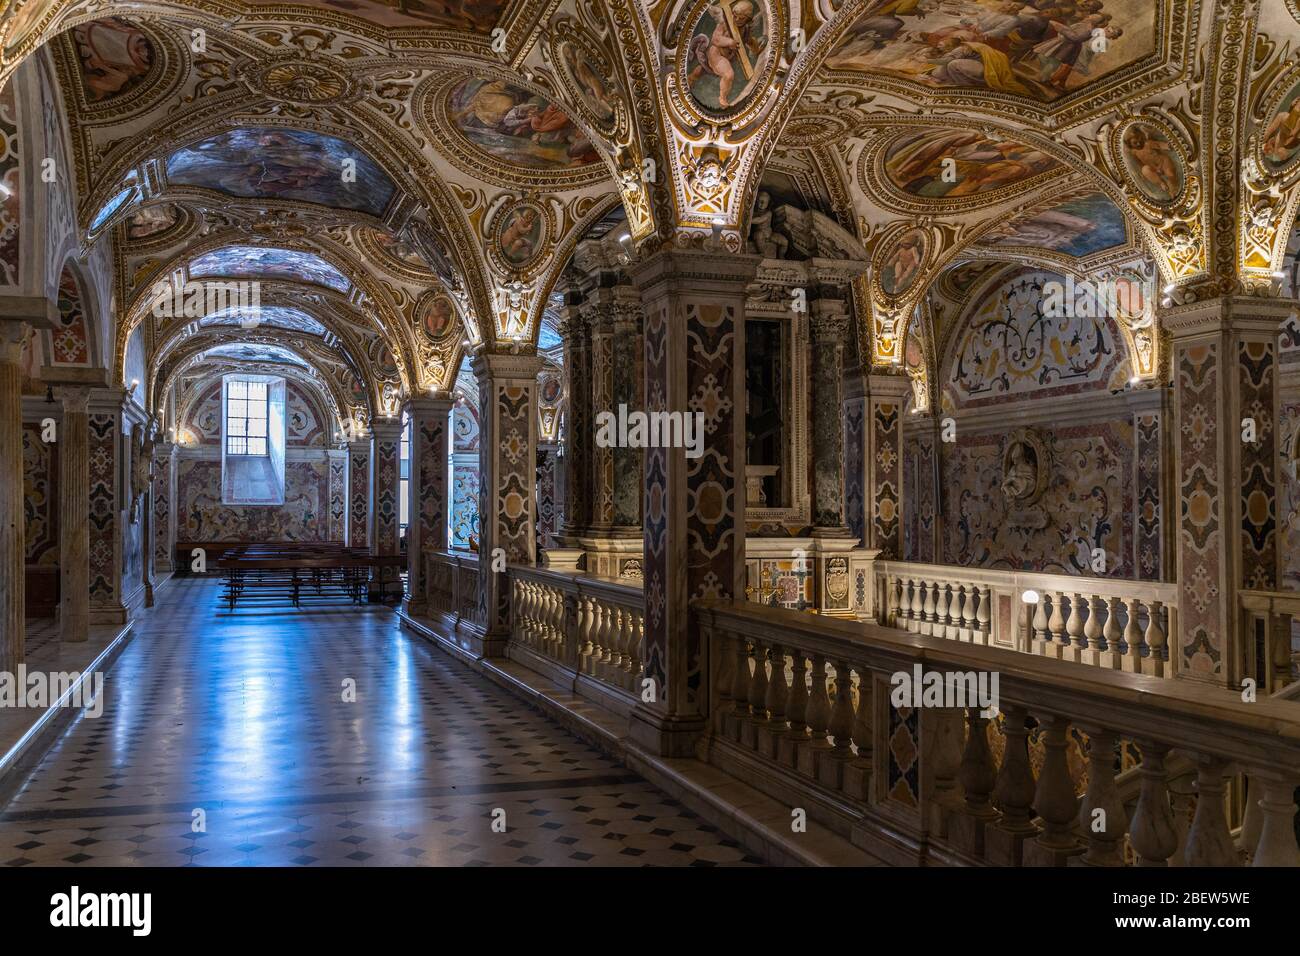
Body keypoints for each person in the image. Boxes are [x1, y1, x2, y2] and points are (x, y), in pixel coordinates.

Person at [687, 1, 764, 109]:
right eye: (735, 16)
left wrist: (756, 50)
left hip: (726, 59)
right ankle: (722, 98)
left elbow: (750, 41)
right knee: (728, 75)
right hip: (716, 55)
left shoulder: (745, 30)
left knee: (703, 70)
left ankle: (690, 78)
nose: (736, 20)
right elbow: (715, 39)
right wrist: (729, 42)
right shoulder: (725, 23)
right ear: (732, 13)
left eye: (741, 18)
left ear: (748, 19)